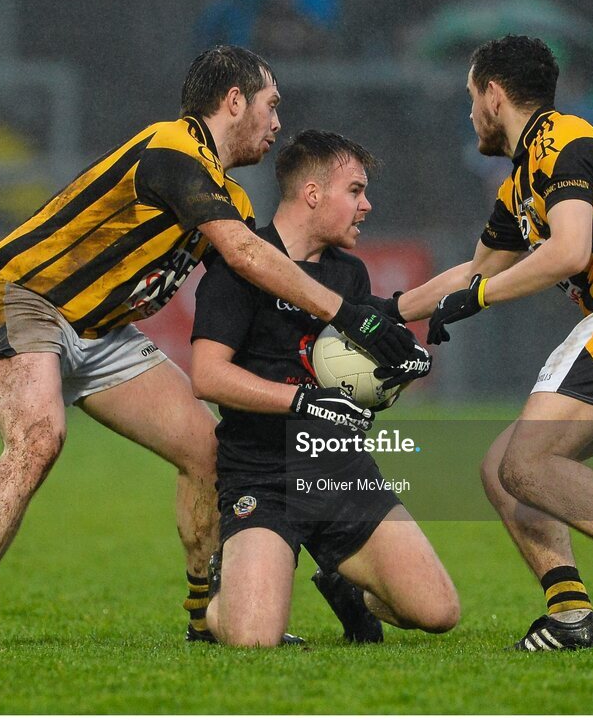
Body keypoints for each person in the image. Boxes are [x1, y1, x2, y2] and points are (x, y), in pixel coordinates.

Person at [0, 46, 416, 648]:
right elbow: (245, 255)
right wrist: (349, 317)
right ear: (234, 101)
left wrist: (404, 311)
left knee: (208, 450)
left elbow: (258, 284)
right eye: (271, 104)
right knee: (38, 438)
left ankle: (204, 617)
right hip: (24, 297)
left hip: (102, 331)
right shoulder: (172, 146)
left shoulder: (233, 201)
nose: (278, 121)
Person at [377, 35, 593, 652]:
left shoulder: (562, 140)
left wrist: (478, 299)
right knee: (504, 471)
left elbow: (567, 251)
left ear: (494, 95)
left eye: (471, 97)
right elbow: (475, 268)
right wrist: (383, 312)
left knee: (528, 462)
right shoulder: (523, 178)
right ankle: (571, 615)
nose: (470, 113)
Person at [190, 129, 457, 647]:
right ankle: (226, 590)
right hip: (263, 475)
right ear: (313, 193)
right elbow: (207, 376)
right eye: (355, 191)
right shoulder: (241, 263)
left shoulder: (349, 276)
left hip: (341, 471)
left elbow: (349, 374)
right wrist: (305, 401)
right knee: (252, 639)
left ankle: (349, 589)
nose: (367, 204)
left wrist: (390, 376)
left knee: (438, 611)